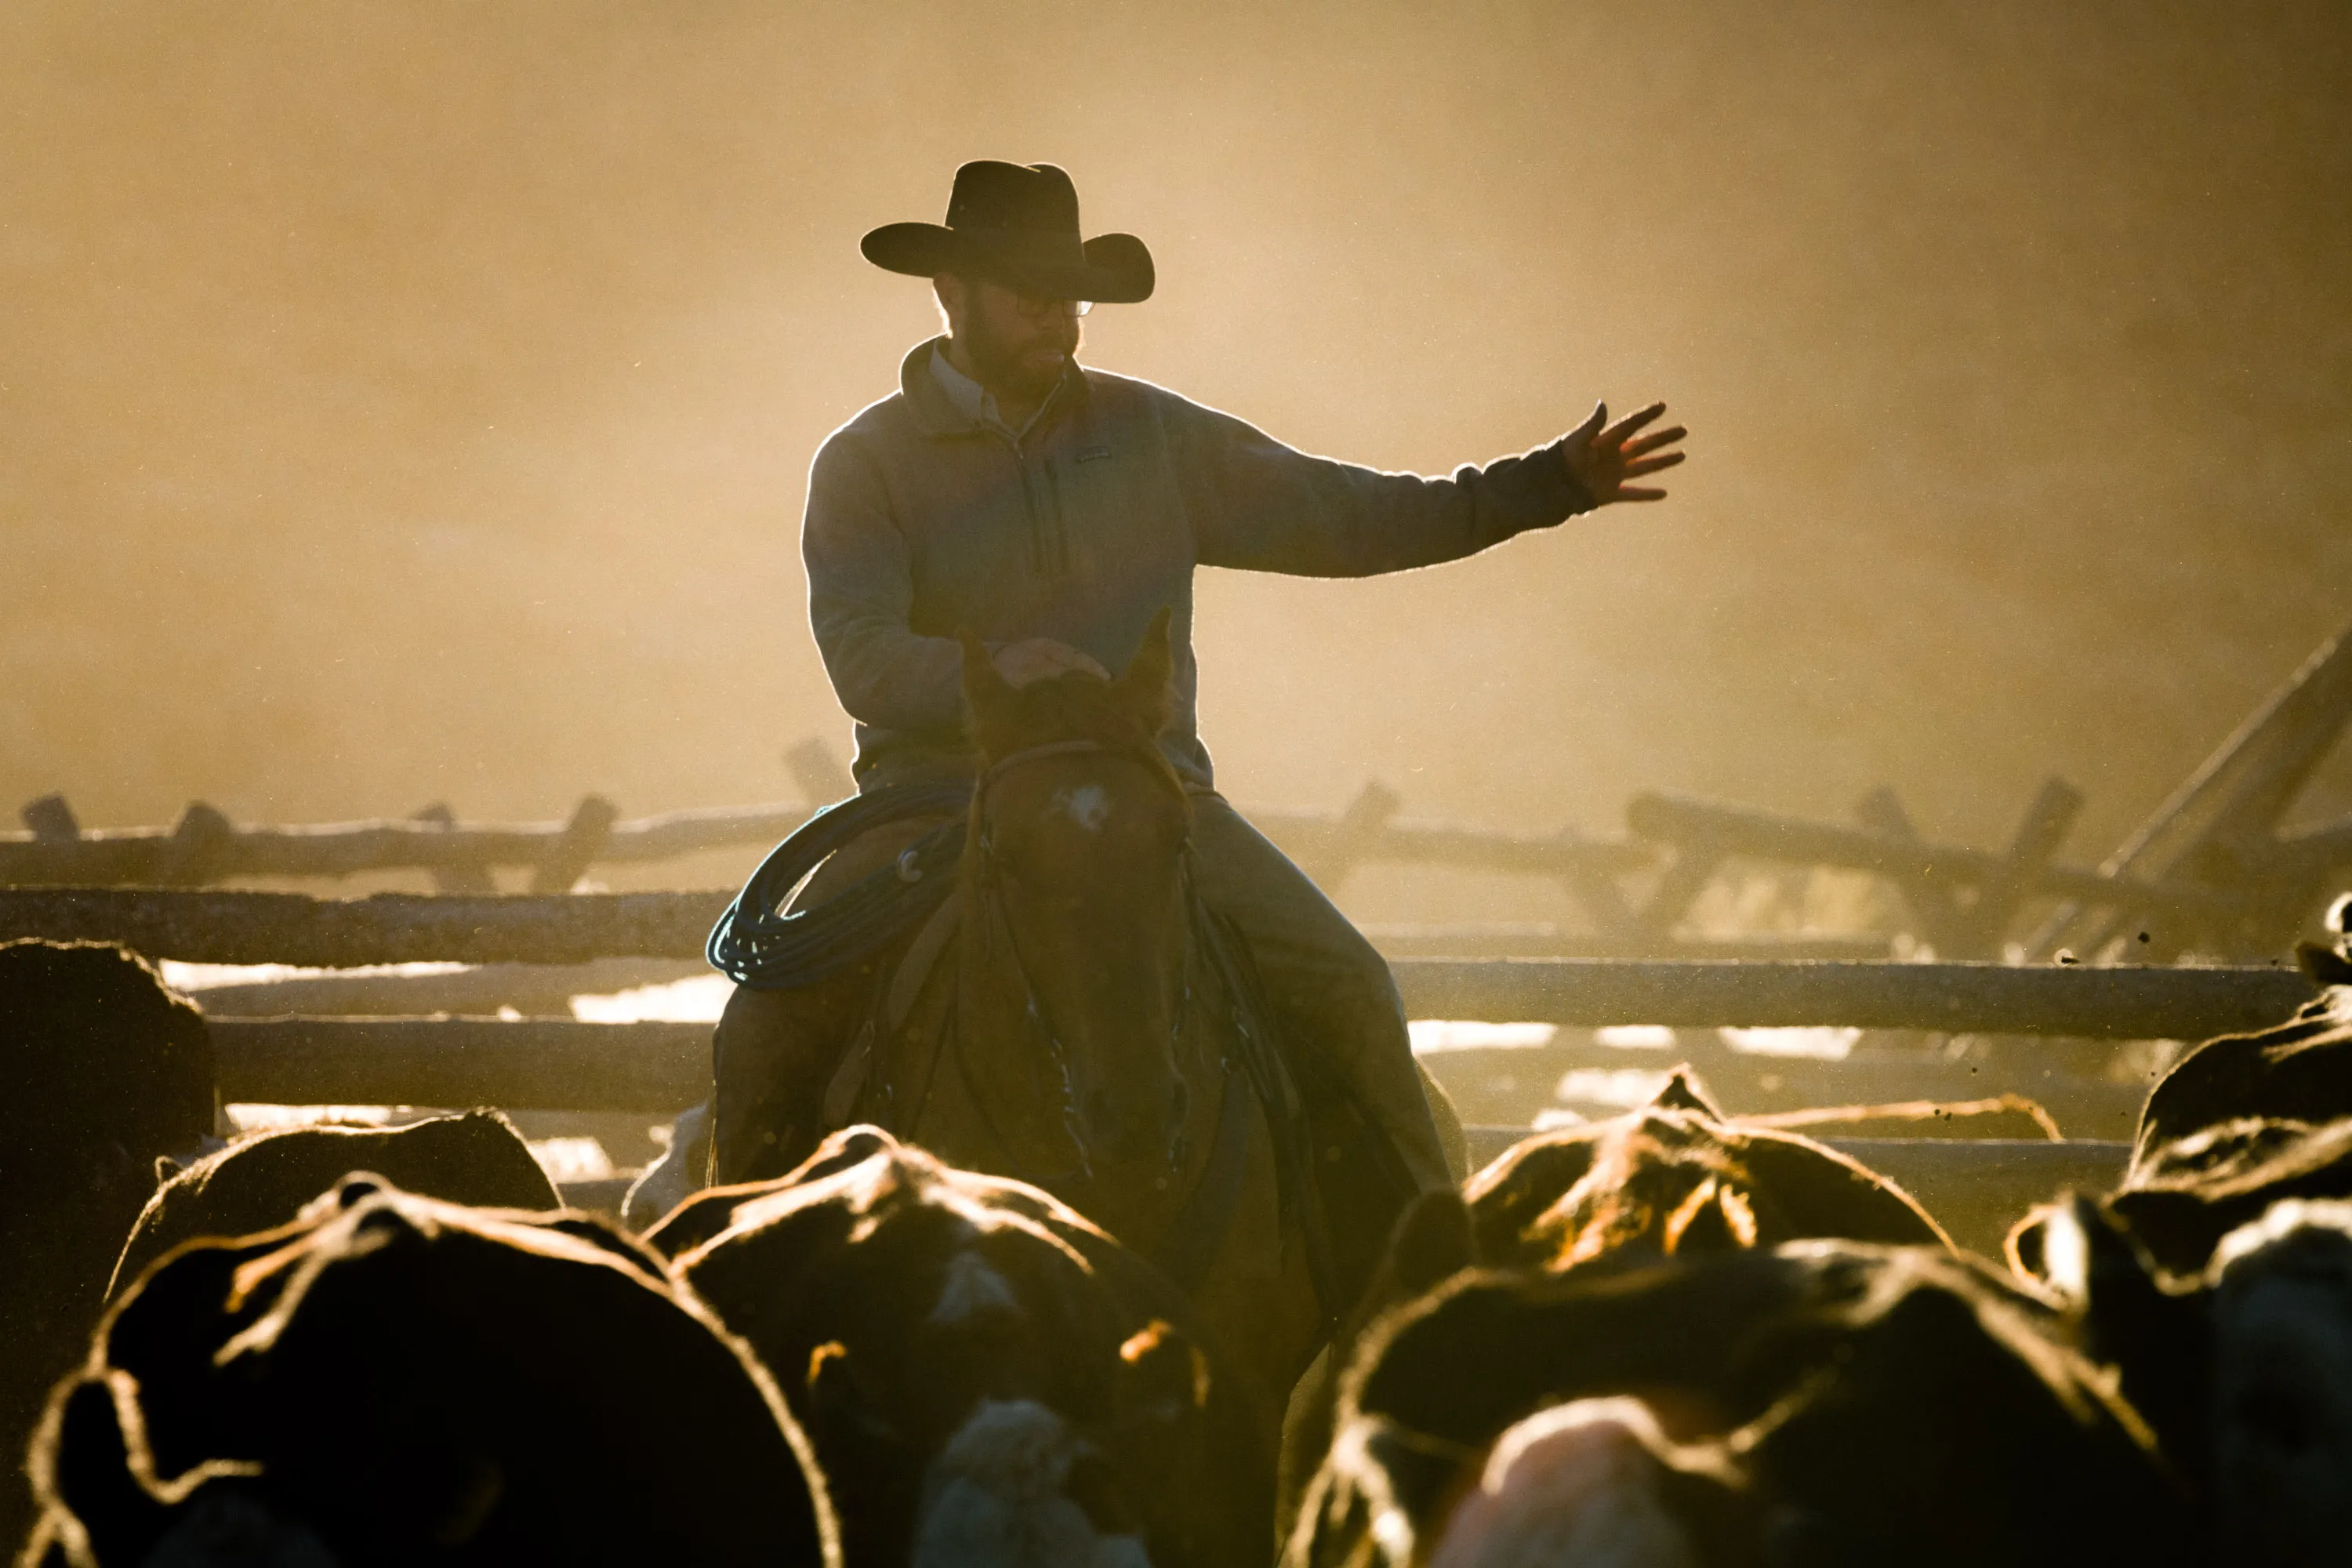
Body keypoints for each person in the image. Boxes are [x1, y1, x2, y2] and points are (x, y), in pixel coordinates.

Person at [712, 160, 1685, 1197]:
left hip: (1148, 790)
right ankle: (740, 1258)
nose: (1058, 315)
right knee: (767, 1032)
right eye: (1028, 290)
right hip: (937, 800)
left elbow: (1351, 517)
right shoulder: (866, 462)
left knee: (1352, 991)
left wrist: (1548, 485)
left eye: (1070, 293)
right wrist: (988, 672)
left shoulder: (1152, 436)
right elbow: (860, 653)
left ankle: (1426, 1270)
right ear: (950, 290)